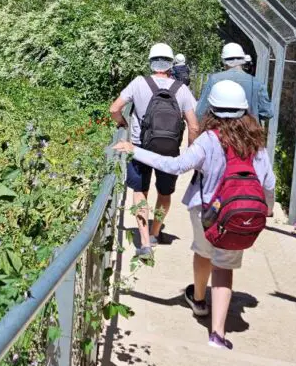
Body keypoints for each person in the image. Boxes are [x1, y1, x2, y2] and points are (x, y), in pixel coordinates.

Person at [114, 80, 275, 350]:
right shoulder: (255, 143)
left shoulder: (208, 140)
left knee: (203, 253)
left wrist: (135, 150)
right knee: (223, 268)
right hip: (238, 213)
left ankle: (199, 300)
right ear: (244, 110)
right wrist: (266, 209)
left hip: (206, 211)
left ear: (212, 110)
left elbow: (175, 165)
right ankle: (218, 334)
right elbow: (268, 182)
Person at [110, 43, 200, 262]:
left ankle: (143, 242)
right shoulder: (181, 89)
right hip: (169, 150)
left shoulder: (139, 83)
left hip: (139, 147)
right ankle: (155, 233)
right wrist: (190, 152)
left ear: (151, 62)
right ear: (171, 64)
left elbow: (114, 109)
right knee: (164, 193)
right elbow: (194, 126)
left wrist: (122, 123)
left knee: (140, 191)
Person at [196, 43, 273, 121]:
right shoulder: (256, 83)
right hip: (248, 127)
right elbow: (267, 113)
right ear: (243, 60)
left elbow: (200, 111)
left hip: (220, 126)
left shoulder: (214, 79)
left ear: (224, 61)